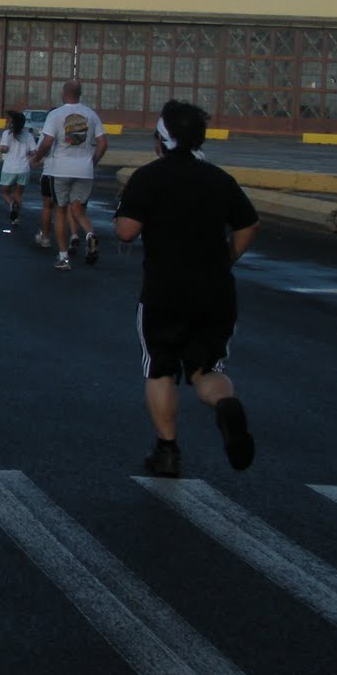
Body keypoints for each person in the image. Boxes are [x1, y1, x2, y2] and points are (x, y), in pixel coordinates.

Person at [113, 100, 259, 478]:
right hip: (215, 291)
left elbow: (126, 231)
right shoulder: (218, 178)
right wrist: (226, 259)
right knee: (205, 369)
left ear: (161, 138)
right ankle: (225, 404)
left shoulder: (148, 177)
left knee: (160, 368)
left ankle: (167, 451)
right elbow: (248, 225)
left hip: (164, 290)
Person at [28, 80, 108, 271]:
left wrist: (37, 158)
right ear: (80, 94)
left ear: (63, 94)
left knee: (61, 211)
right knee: (78, 211)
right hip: (85, 171)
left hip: (61, 170)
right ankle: (89, 234)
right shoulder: (91, 114)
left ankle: (63, 258)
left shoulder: (56, 115)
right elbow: (103, 144)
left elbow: (47, 142)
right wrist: (92, 162)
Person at [0, 110, 34, 231]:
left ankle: (12, 204)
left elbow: (4, 149)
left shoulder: (7, 134)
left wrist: (2, 149)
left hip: (9, 168)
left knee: (5, 192)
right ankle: (15, 219)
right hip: (24, 169)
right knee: (18, 193)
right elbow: (34, 152)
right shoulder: (28, 136)